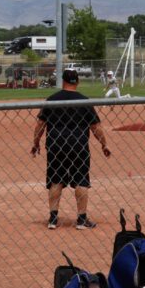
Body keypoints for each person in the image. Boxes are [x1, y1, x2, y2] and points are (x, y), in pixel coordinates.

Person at [31, 68, 112, 230]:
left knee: (55, 180)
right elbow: (96, 127)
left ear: (63, 81)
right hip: (78, 145)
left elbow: (40, 123)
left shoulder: (52, 100)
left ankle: (53, 219)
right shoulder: (84, 101)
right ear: (78, 82)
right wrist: (104, 144)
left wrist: (36, 142)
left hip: (56, 144)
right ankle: (82, 219)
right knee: (81, 179)